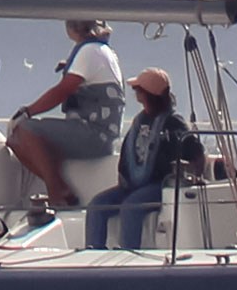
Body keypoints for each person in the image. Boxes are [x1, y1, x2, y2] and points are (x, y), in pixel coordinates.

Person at [4, 18, 130, 215]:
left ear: (71, 28)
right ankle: (62, 189)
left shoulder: (89, 52)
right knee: (14, 141)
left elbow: (63, 90)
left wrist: (27, 112)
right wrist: (68, 66)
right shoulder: (100, 50)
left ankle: (57, 193)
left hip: (95, 134)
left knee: (25, 129)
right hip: (99, 134)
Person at [82, 66, 201, 251]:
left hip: (158, 185)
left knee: (132, 206)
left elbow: (196, 152)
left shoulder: (173, 123)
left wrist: (192, 174)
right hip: (132, 184)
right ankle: (93, 249)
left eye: (138, 89)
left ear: (148, 94)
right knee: (97, 205)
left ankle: (128, 252)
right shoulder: (140, 121)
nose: (135, 91)